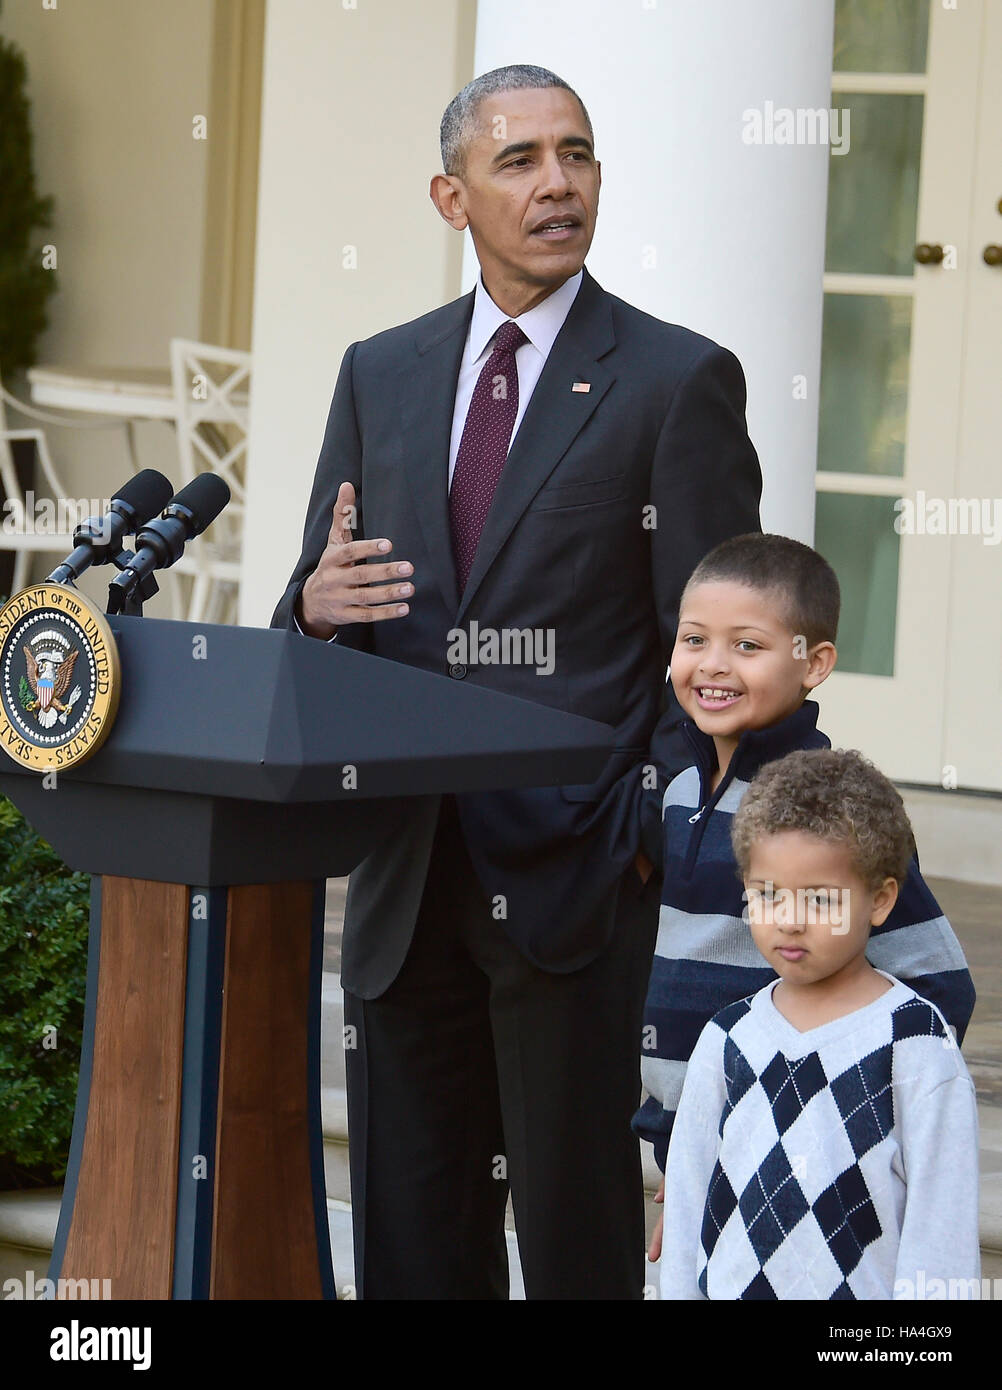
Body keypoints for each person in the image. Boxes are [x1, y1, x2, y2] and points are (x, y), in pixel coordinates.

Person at [271, 64, 761, 1298]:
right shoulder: (377, 370)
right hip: (403, 875)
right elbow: (316, 600)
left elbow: (718, 650)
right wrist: (311, 610)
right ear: (452, 196)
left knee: (574, 1239)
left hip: (575, 883)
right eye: (521, 160)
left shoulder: (674, 379)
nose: (559, 184)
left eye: (577, 156)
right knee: (412, 1239)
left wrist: (643, 826)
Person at [634, 533, 976, 1263]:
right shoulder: (680, 790)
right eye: (694, 639)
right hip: (701, 1134)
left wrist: (846, 1116)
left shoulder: (827, 810)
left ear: (813, 663)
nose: (714, 663)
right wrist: (681, 1148)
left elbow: (939, 984)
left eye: (747, 645)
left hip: (804, 1148)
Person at [659, 747, 981, 1300]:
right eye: (766, 894)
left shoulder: (915, 1045)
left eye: (819, 899)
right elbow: (688, 1211)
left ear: (880, 900)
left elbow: (941, 1238)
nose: (788, 919)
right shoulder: (728, 1039)